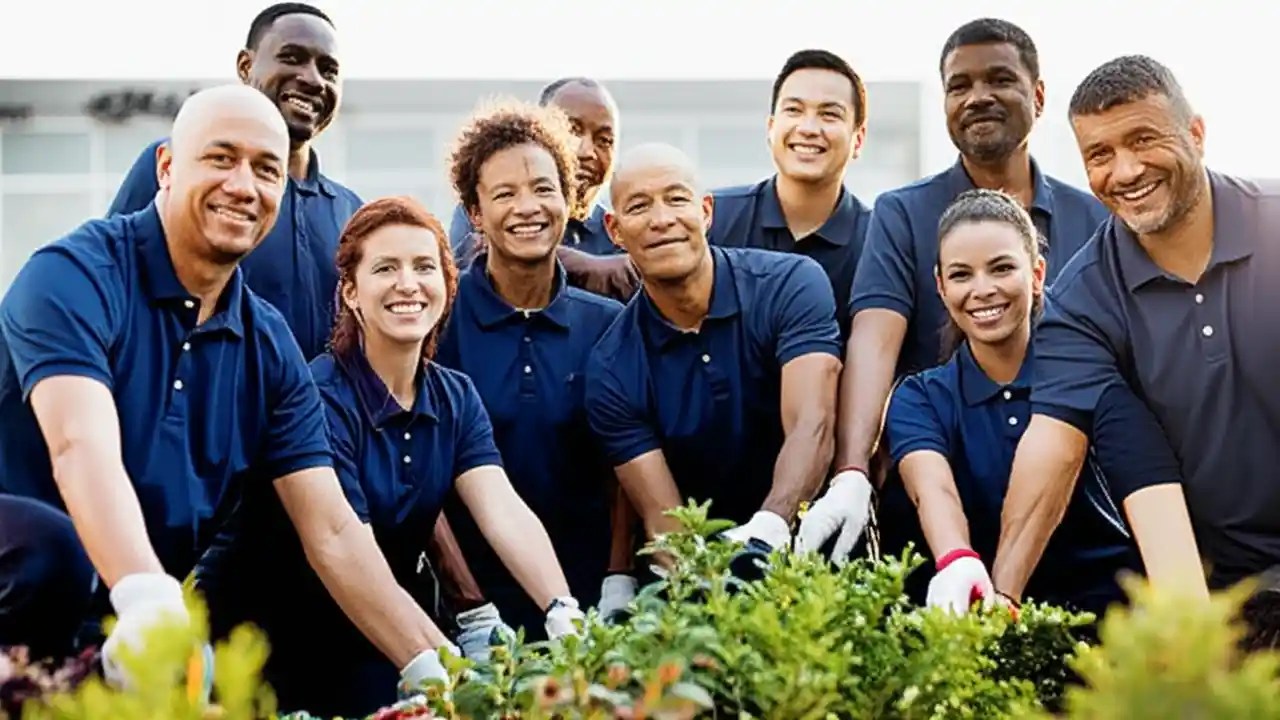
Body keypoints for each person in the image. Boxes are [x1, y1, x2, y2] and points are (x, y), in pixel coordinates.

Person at [0, 86, 455, 697]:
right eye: (220, 158)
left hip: (113, 632)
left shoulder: (268, 348)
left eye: (267, 169)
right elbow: (80, 445)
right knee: (50, 551)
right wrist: (145, 594)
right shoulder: (73, 275)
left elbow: (334, 531)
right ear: (166, 167)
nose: (244, 185)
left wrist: (436, 666)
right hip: (39, 581)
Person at [196, 196, 585, 716]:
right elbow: (343, 547)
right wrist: (442, 666)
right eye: (386, 268)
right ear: (351, 293)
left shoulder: (454, 396)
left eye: (425, 267)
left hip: (369, 639)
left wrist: (565, 613)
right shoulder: (317, 397)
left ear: (447, 286)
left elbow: (503, 509)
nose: (408, 284)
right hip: (260, 647)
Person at [801, 18, 1112, 580]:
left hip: (1072, 503)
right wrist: (851, 471)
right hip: (932, 492)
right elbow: (874, 341)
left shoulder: (1093, 220)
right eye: (959, 85)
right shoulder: (902, 213)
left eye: (999, 80)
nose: (978, 97)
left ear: (1038, 96)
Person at [992, 55, 1280, 605]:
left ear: (1195, 133)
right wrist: (1003, 590)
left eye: (1144, 139)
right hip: (1220, 594)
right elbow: (1054, 449)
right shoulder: (1083, 301)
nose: (1125, 172)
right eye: (1100, 154)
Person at [883, 189, 1141, 620]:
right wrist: (957, 560)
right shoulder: (920, 397)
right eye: (962, 275)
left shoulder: (1087, 373)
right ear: (940, 287)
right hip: (979, 619)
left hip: (1106, 625)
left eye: (1001, 268)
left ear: (1037, 274)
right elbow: (934, 490)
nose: (982, 290)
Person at [432, 99, 627, 648]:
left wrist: (618, 582)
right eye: (504, 194)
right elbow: (421, 481)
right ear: (474, 212)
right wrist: (469, 607)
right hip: (469, 614)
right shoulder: (438, 324)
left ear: (569, 199)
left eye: (544, 189)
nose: (528, 208)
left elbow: (624, 469)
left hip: (584, 605)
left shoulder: (610, 326)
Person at [585, 142, 843, 556]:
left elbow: (812, 424)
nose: (662, 219)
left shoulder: (790, 283)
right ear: (614, 231)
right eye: (639, 206)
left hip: (819, 552)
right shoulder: (612, 366)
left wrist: (769, 528)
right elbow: (662, 518)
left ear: (705, 211)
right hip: (708, 578)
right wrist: (708, 589)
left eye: (676, 199)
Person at [108, 2, 361, 360]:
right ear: (246, 66)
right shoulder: (179, 168)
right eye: (292, 58)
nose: (313, 79)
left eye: (328, 70)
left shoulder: (354, 212)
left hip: (313, 415)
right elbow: (113, 282)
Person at [709, 49, 872, 342]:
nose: (808, 128)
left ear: (857, 139)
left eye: (829, 114)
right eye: (794, 110)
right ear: (771, 129)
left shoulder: (879, 242)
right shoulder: (712, 219)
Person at [448, 77, 639, 302]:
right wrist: (597, 270)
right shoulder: (488, 209)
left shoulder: (619, 231)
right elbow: (477, 263)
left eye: (605, 140)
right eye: (573, 131)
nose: (587, 151)